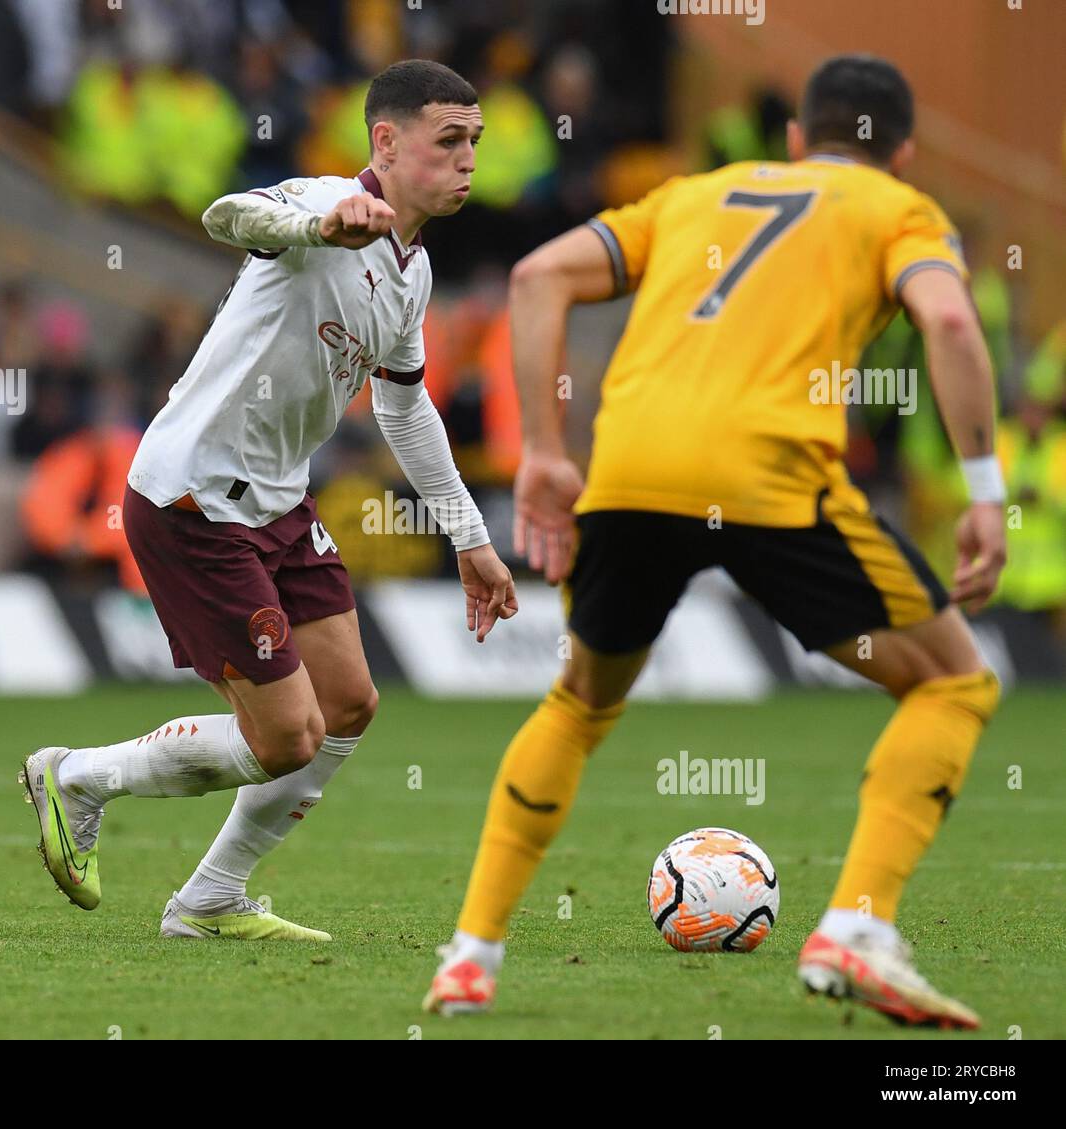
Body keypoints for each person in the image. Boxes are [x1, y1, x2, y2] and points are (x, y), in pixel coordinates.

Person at [425, 55, 1005, 1029]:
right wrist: (985, 489)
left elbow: (536, 276)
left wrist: (540, 455)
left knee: (577, 704)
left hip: (630, 468)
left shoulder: (691, 195)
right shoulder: (899, 208)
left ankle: (470, 957)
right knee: (954, 682)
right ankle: (856, 930)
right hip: (768, 477)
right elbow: (946, 315)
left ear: (791, 138)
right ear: (900, 152)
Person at [21, 59, 517, 941]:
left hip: (280, 503)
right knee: (287, 736)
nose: (469, 160)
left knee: (352, 702)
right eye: (450, 141)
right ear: (387, 143)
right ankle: (77, 776)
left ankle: (210, 897)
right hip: (194, 497)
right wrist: (320, 224)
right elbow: (226, 216)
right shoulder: (319, 200)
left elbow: (403, 406)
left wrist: (470, 537)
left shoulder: (413, 273)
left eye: (474, 142)